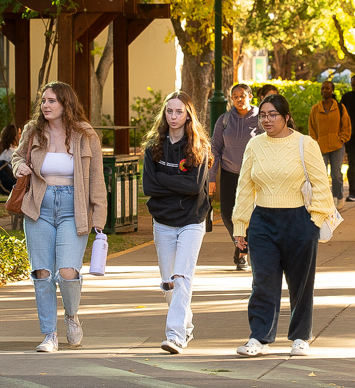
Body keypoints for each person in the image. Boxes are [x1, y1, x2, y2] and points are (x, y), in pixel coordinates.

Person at [232, 94, 335, 357]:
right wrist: (240, 226)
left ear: (286, 116)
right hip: (263, 221)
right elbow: (245, 187)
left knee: (301, 283)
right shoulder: (255, 145)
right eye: (263, 115)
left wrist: (315, 220)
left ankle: (301, 337)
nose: (267, 120)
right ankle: (259, 338)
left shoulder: (305, 143)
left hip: (299, 220)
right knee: (263, 281)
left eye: (273, 115)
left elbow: (321, 183)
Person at [12, 81, 108, 352]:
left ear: (66, 104)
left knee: (67, 272)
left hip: (72, 207)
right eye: (43, 101)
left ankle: (71, 315)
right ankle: (49, 334)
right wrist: (19, 166)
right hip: (38, 206)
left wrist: (98, 214)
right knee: (42, 273)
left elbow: (96, 178)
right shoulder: (33, 132)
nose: (45, 105)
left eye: (52, 100)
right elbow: (17, 157)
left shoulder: (85, 134)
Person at [141, 91, 212, 354]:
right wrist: (172, 184)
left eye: (179, 111)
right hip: (163, 221)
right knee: (168, 283)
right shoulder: (153, 147)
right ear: (164, 114)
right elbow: (149, 185)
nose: (173, 116)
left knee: (182, 277)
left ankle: (175, 335)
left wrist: (163, 180)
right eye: (169, 111)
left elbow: (194, 186)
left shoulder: (199, 147)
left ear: (188, 114)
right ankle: (186, 324)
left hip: (192, 220)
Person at [210, 83, 260, 271]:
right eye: (235, 96)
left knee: (250, 215)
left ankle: (242, 253)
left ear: (250, 97)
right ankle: (241, 246)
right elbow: (215, 148)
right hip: (229, 173)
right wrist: (212, 177)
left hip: (252, 174)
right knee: (227, 213)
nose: (239, 99)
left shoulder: (259, 119)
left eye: (243, 95)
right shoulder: (224, 120)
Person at [308, 80, 352, 208]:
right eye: (322, 88)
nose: (324, 91)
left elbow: (346, 126)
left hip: (337, 146)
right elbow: (312, 128)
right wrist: (314, 143)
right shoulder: (316, 109)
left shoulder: (339, 107)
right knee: (321, 174)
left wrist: (341, 139)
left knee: (336, 174)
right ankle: (324, 199)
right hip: (320, 147)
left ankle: (338, 196)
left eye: (327, 88)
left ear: (332, 91)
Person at [0, 123, 20, 190]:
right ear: (14, 136)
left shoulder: (5, 151)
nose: (21, 135)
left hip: (7, 183)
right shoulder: (13, 152)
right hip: (14, 184)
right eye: (20, 133)